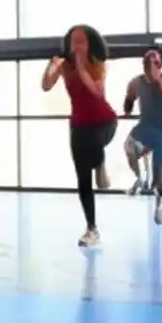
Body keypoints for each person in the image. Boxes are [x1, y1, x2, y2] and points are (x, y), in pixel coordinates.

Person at [42, 25, 117, 247]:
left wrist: (83, 68)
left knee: (93, 143)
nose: (76, 46)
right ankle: (91, 229)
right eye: (73, 41)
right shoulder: (65, 66)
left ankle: (100, 161)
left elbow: (97, 93)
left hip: (104, 121)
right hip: (79, 124)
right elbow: (46, 86)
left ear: (89, 44)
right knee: (83, 178)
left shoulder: (97, 64)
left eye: (81, 41)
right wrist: (51, 66)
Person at [122, 46, 162, 224]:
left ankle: (158, 201)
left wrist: (158, 85)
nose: (150, 65)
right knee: (129, 146)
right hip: (145, 127)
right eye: (147, 61)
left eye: (154, 62)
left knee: (158, 177)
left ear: (160, 63)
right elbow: (129, 100)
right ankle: (139, 178)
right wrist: (128, 106)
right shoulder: (136, 82)